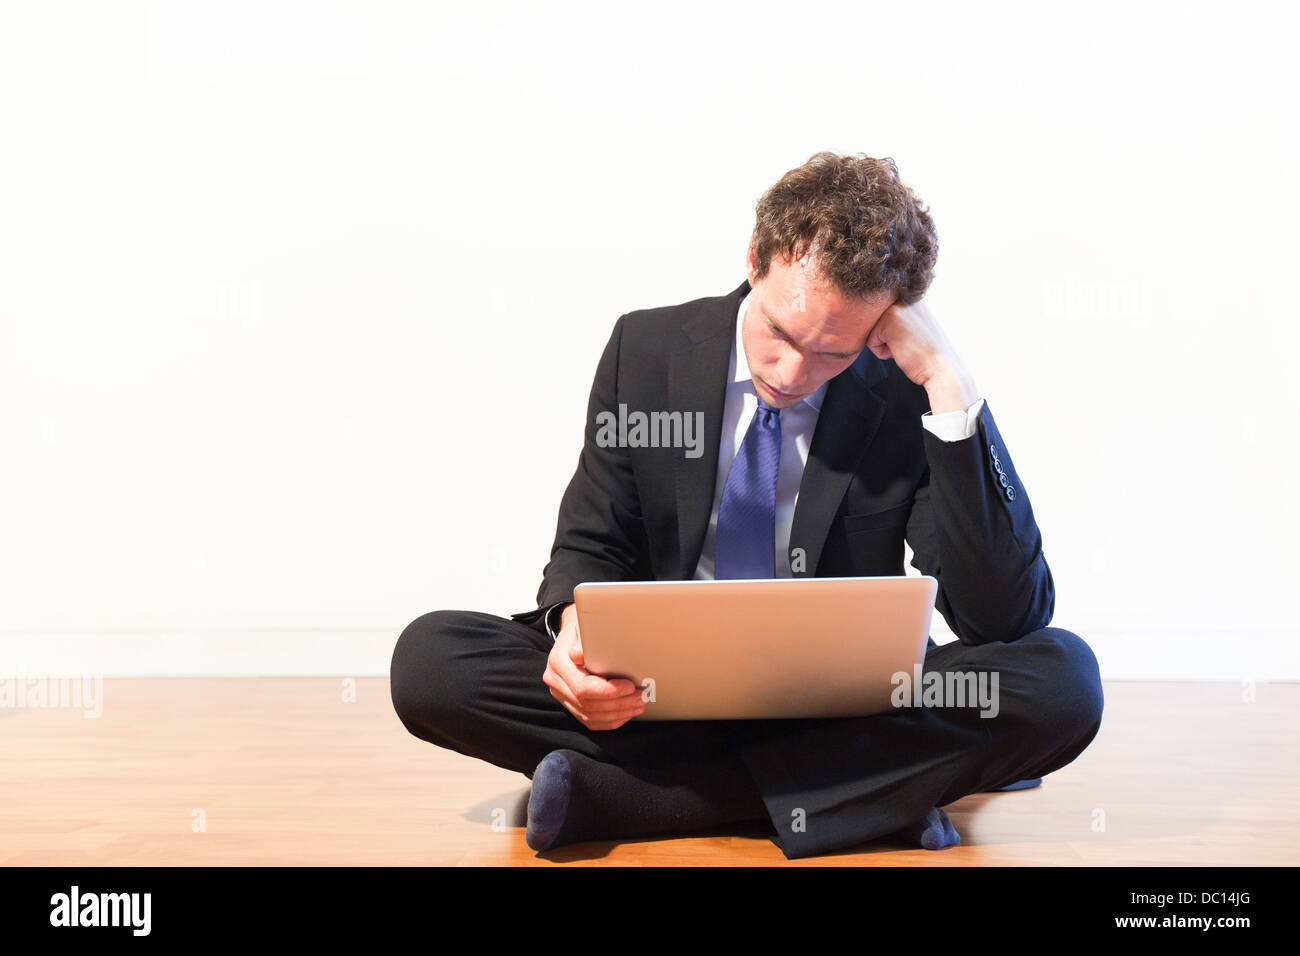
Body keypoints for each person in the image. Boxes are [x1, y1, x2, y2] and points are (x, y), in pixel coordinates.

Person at [389, 151, 1104, 859]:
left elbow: (1004, 619)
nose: (793, 373)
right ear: (757, 258)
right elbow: (591, 543)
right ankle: (861, 794)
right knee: (430, 661)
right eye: (782, 335)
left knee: (1065, 682)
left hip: (845, 702)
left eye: (832, 354)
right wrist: (572, 628)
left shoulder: (898, 391)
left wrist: (948, 383)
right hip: (657, 693)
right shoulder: (645, 350)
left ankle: (647, 799)